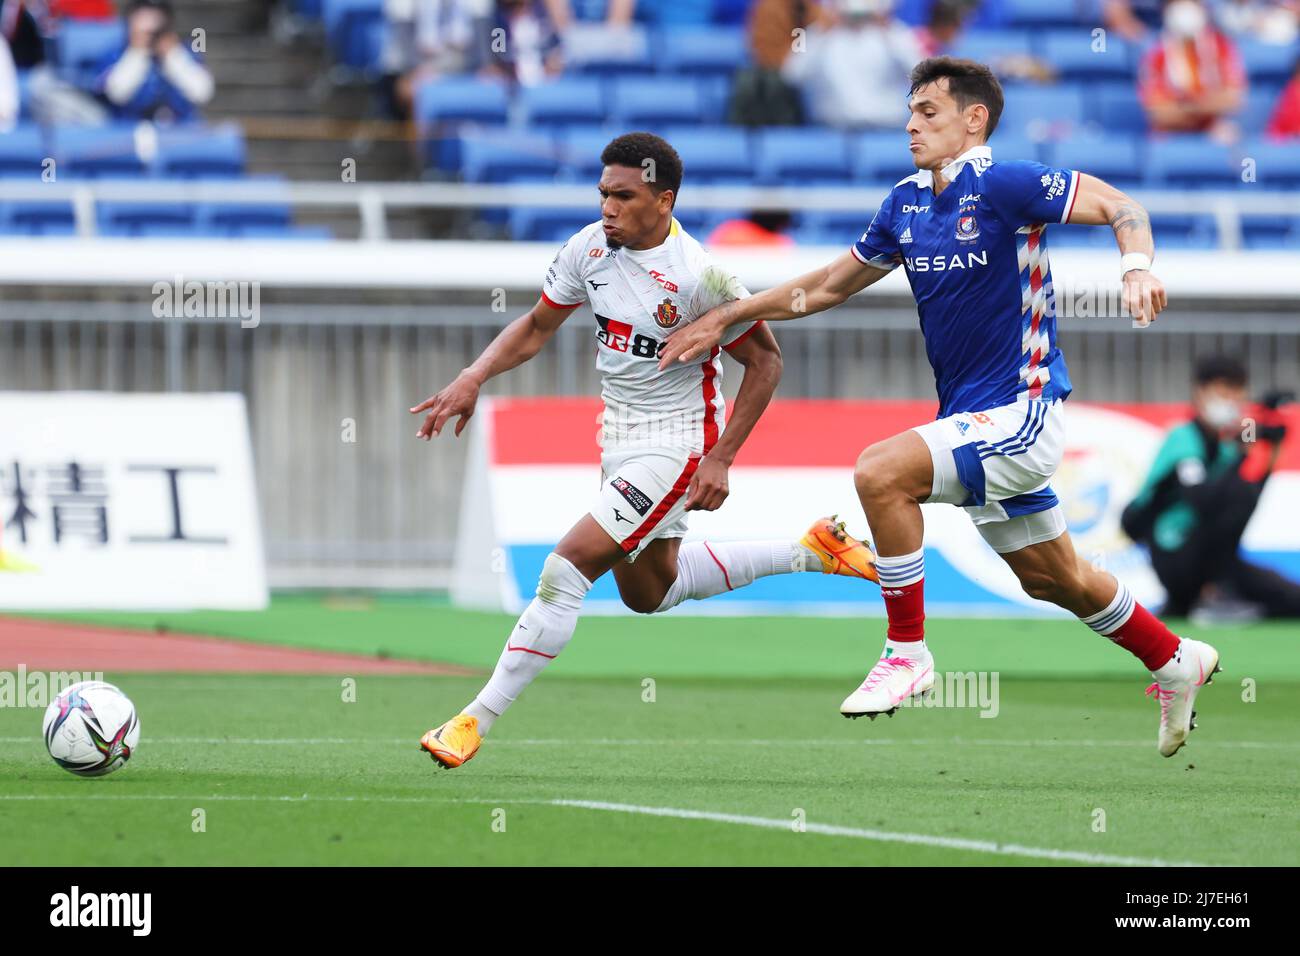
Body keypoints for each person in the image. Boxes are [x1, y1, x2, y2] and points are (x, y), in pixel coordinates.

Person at [659, 57, 1221, 759]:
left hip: (1025, 412)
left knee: (879, 472)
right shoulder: (905, 202)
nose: (911, 125)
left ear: (973, 118)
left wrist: (1137, 267)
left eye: (928, 111)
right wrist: (731, 316)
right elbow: (830, 285)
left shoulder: (1007, 184)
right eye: (910, 111)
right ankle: (1174, 660)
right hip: (971, 418)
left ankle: (907, 652)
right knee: (1057, 579)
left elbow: (1122, 207)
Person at [410, 132, 880, 769]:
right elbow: (537, 326)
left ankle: (473, 720)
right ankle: (810, 550)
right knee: (648, 591)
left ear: (663, 200)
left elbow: (765, 363)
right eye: (603, 193)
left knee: (565, 570)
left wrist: (721, 459)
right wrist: (474, 375)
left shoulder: (701, 277)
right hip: (620, 439)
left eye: (623, 196)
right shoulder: (588, 249)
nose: (607, 207)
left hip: (679, 443)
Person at [1123, 355, 1300, 619]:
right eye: (1223, 391)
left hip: (1218, 560)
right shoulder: (1183, 438)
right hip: (1174, 551)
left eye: (1237, 392)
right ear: (1200, 392)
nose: (1231, 400)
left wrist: (1271, 450)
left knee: (1291, 599)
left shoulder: (1227, 444)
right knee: (1231, 499)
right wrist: (1243, 451)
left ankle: (1191, 602)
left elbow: (1249, 496)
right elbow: (1203, 501)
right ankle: (1210, 595)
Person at [782, 0, 924, 130]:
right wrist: (822, 29)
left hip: (887, 129)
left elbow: (923, 75)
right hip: (831, 131)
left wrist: (887, 28)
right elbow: (791, 74)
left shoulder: (897, 33)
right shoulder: (816, 33)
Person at [1138, 0, 1247, 139]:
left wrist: (1188, 106)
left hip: (1210, 127)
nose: (1185, 8)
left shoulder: (1221, 47)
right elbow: (1157, 112)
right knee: (1155, 143)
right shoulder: (1154, 53)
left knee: (1230, 136)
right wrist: (1202, 107)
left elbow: (1233, 99)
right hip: (1168, 131)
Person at [95, 0, 214, 123]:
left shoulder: (185, 52)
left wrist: (173, 56)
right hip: (130, 129)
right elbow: (117, 94)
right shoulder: (115, 54)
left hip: (181, 129)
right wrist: (137, 52)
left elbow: (202, 93)